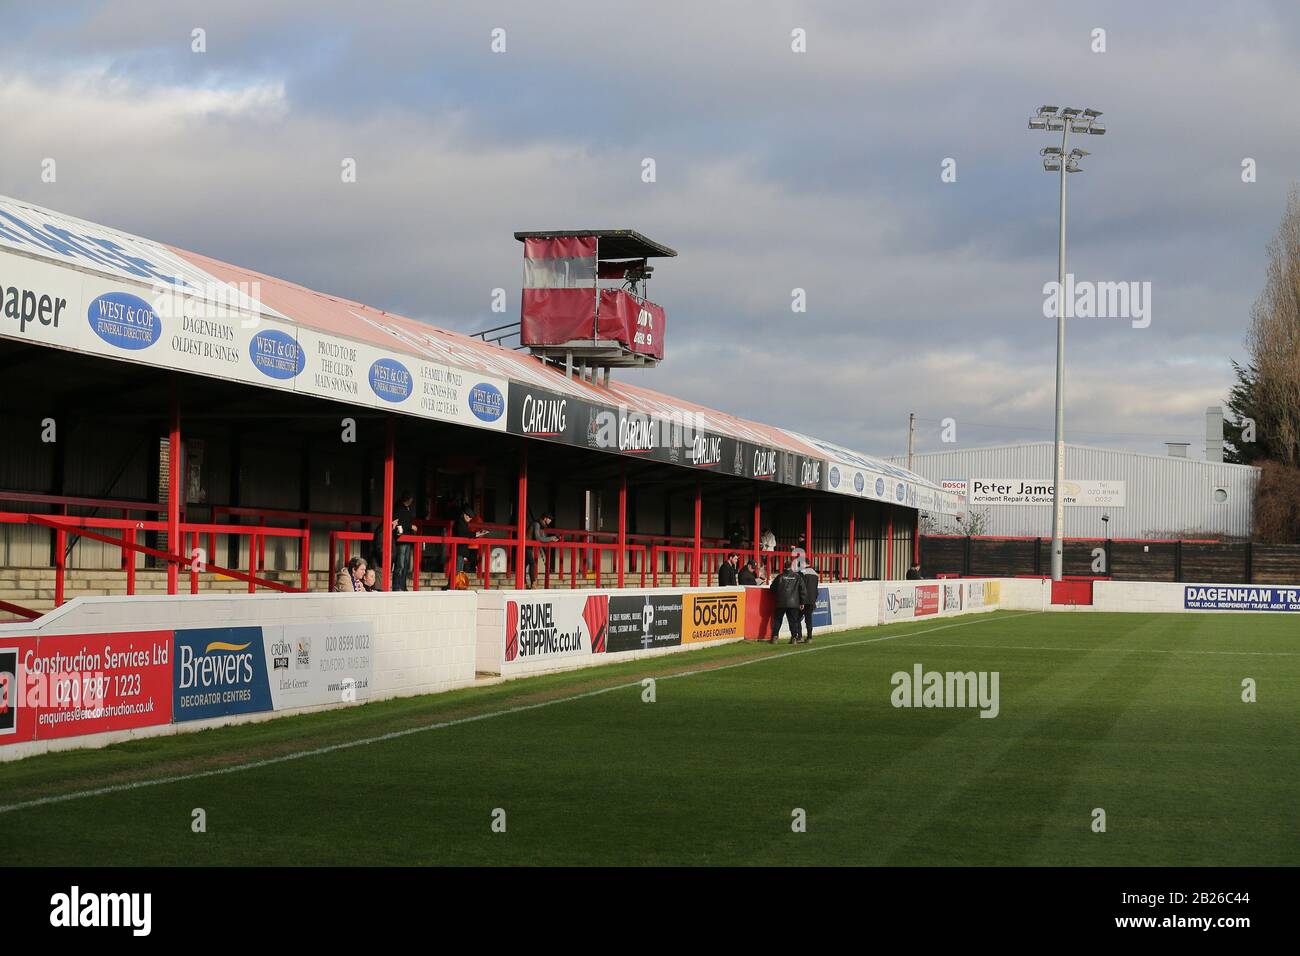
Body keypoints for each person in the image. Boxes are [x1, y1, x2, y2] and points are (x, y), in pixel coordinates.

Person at [768, 560, 802, 644]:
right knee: (793, 621)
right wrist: (802, 602)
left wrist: (779, 594)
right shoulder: (797, 577)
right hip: (794, 603)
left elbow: (772, 588)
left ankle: (775, 637)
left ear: (784, 566)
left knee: (778, 620)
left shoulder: (780, 576)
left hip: (781, 602)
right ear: (792, 567)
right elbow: (802, 590)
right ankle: (794, 638)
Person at [452, 503, 489, 576]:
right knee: (457, 568)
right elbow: (463, 534)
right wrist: (476, 534)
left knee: (459, 568)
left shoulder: (463, 522)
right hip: (459, 548)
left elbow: (466, 533)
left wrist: (477, 534)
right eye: (469, 517)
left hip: (461, 548)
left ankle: (454, 584)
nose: (470, 519)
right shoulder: (460, 522)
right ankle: (453, 585)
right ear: (465, 515)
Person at [391, 491, 417, 591]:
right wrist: (410, 526)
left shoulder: (407, 508)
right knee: (400, 564)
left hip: (407, 539)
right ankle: (396, 586)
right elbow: (399, 523)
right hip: (401, 539)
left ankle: (403, 586)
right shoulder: (399, 508)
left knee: (405, 565)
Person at [526, 512, 560, 587]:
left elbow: (543, 538)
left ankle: (526, 583)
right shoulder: (537, 524)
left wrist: (552, 539)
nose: (550, 520)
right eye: (549, 519)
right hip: (525, 545)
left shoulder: (542, 525)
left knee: (527, 564)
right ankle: (533, 583)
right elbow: (539, 538)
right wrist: (551, 538)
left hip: (529, 546)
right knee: (532, 563)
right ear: (545, 518)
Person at [799, 563, 820, 643]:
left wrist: (801, 600)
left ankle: (799, 636)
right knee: (809, 619)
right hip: (812, 600)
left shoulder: (802, 572)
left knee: (797, 618)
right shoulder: (815, 573)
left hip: (803, 600)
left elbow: (801, 587)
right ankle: (809, 637)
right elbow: (815, 589)